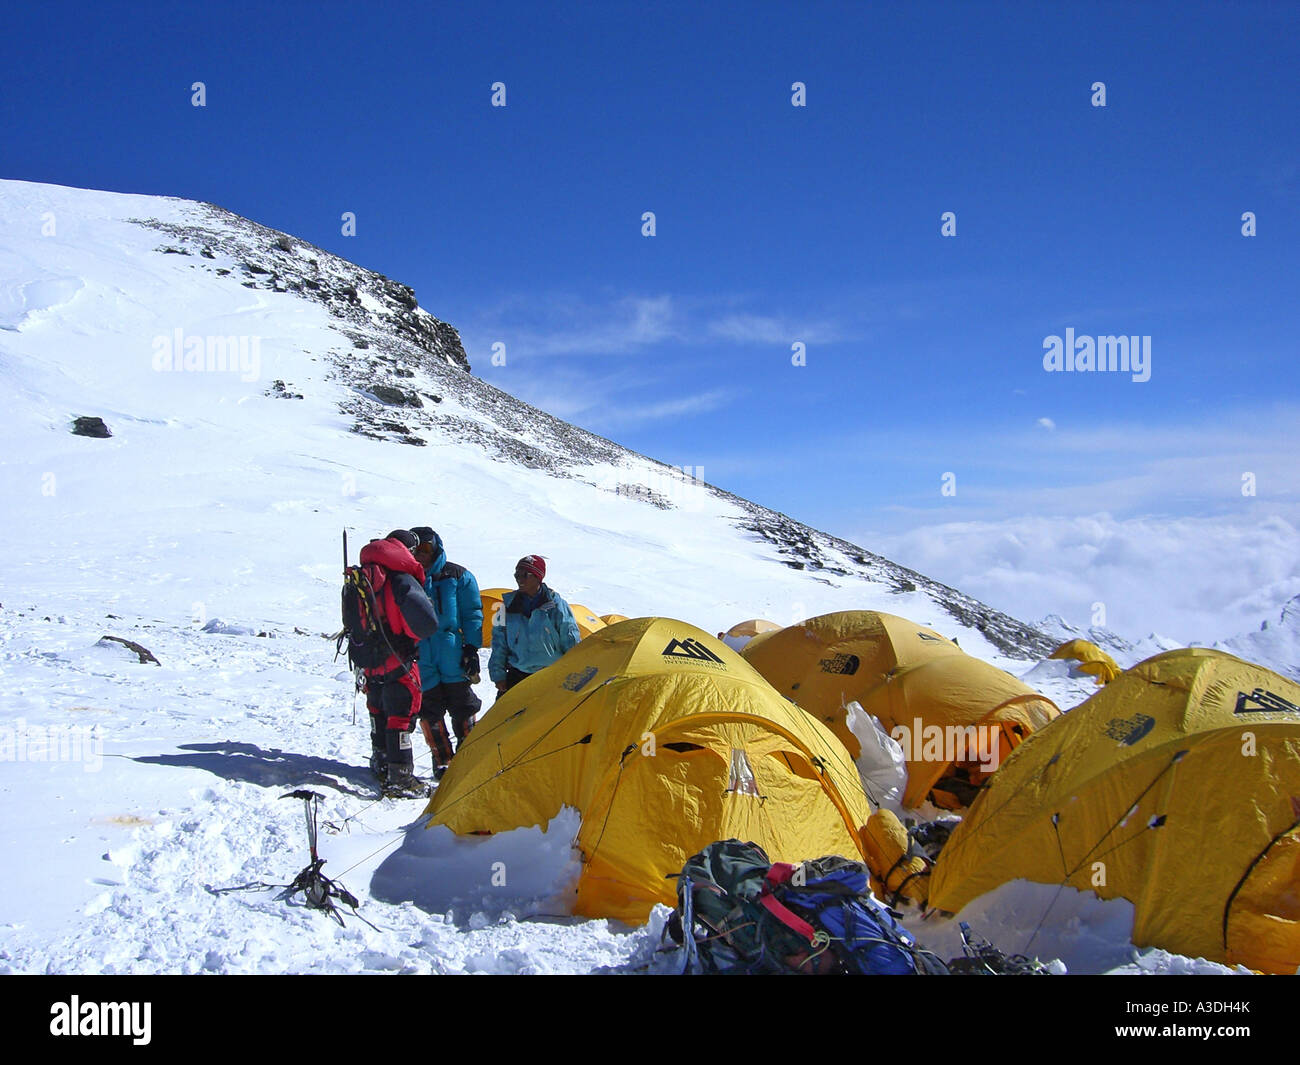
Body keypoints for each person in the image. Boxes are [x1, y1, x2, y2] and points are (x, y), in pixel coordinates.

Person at [359, 529, 439, 795]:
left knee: (378, 708)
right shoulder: (401, 578)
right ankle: (400, 776)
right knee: (400, 713)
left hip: (369, 659)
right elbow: (425, 625)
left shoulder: (364, 575)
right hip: (398, 657)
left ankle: (380, 760)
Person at [409, 527, 483, 777]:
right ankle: (442, 761)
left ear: (436, 548)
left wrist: (472, 648)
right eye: (416, 549)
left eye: (426, 549)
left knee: (463, 706)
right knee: (429, 711)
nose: (421, 555)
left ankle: (468, 760)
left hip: (451, 653)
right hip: (421, 655)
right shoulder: (405, 577)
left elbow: (472, 613)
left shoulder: (457, 576)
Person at [488, 554, 581, 693]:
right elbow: (499, 643)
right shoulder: (507, 607)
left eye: (525, 575)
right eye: (516, 575)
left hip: (551, 676)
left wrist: (573, 675)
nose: (519, 579)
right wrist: (498, 674)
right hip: (517, 674)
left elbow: (570, 641)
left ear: (538, 577)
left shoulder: (556, 606)